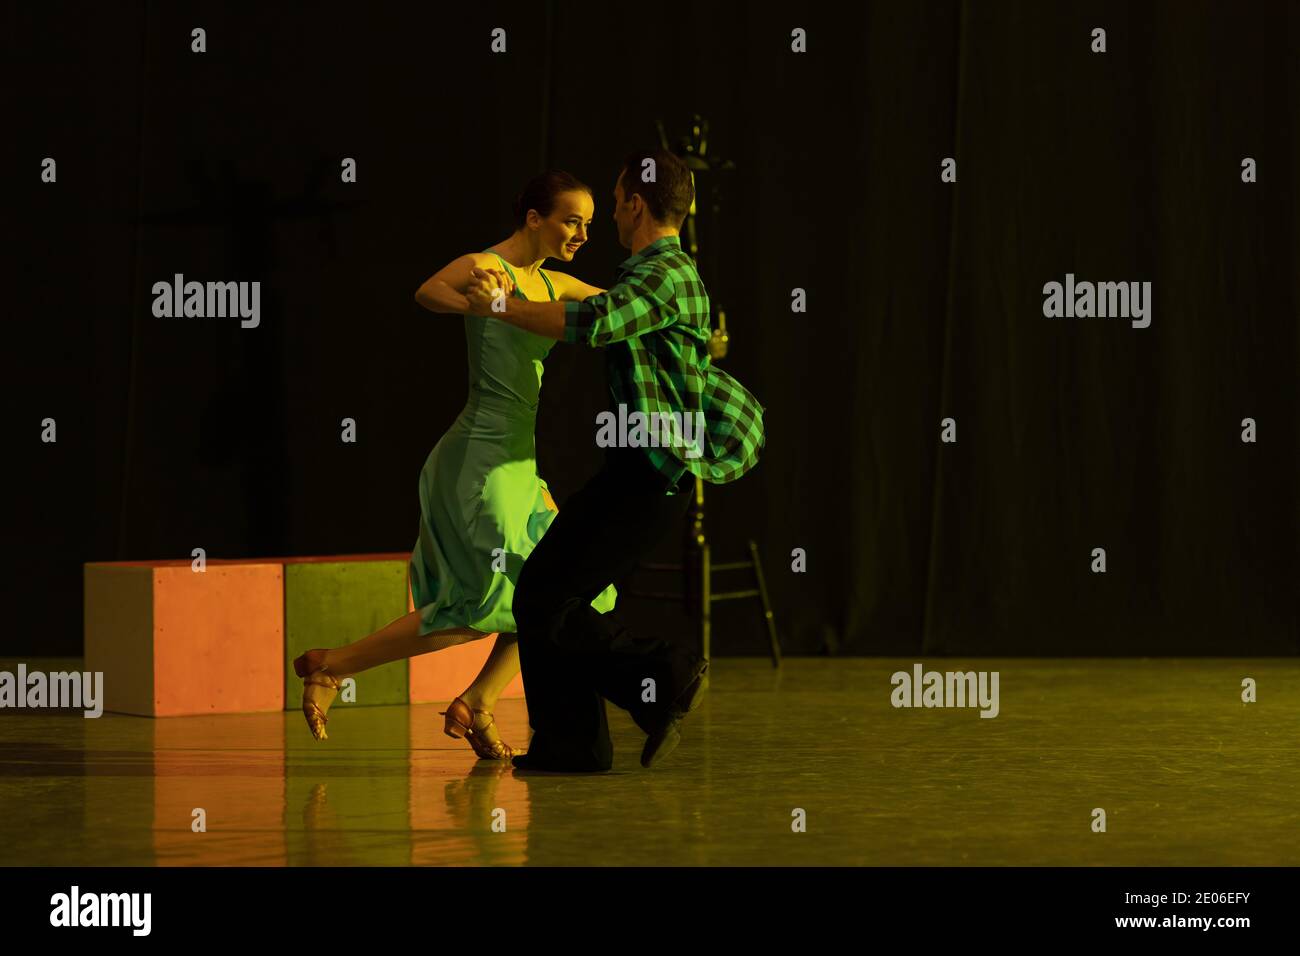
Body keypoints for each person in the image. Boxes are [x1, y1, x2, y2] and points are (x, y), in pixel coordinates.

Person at [293, 170, 617, 760]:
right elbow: (427, 292)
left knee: (563, 591)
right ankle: (331, 665)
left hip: (521, 463)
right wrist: (485, 305)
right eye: (573, 220)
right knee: (478, 604)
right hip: (478, 459)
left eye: (589, 224)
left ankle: (477, 702)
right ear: (534, 219)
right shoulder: (485, 264)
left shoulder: (556, 285)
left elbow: (623, 308)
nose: (582, 233)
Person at [464, 148, 766, 772]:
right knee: (551, 595)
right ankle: (575, 745)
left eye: (616, 201)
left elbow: (594, 322)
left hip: (650, 473)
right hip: (639, 470)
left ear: (633, 202)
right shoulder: (656, 276)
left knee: (546, 595)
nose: (605, 222)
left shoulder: (665, 273)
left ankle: (665, 675)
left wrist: (500, 305)